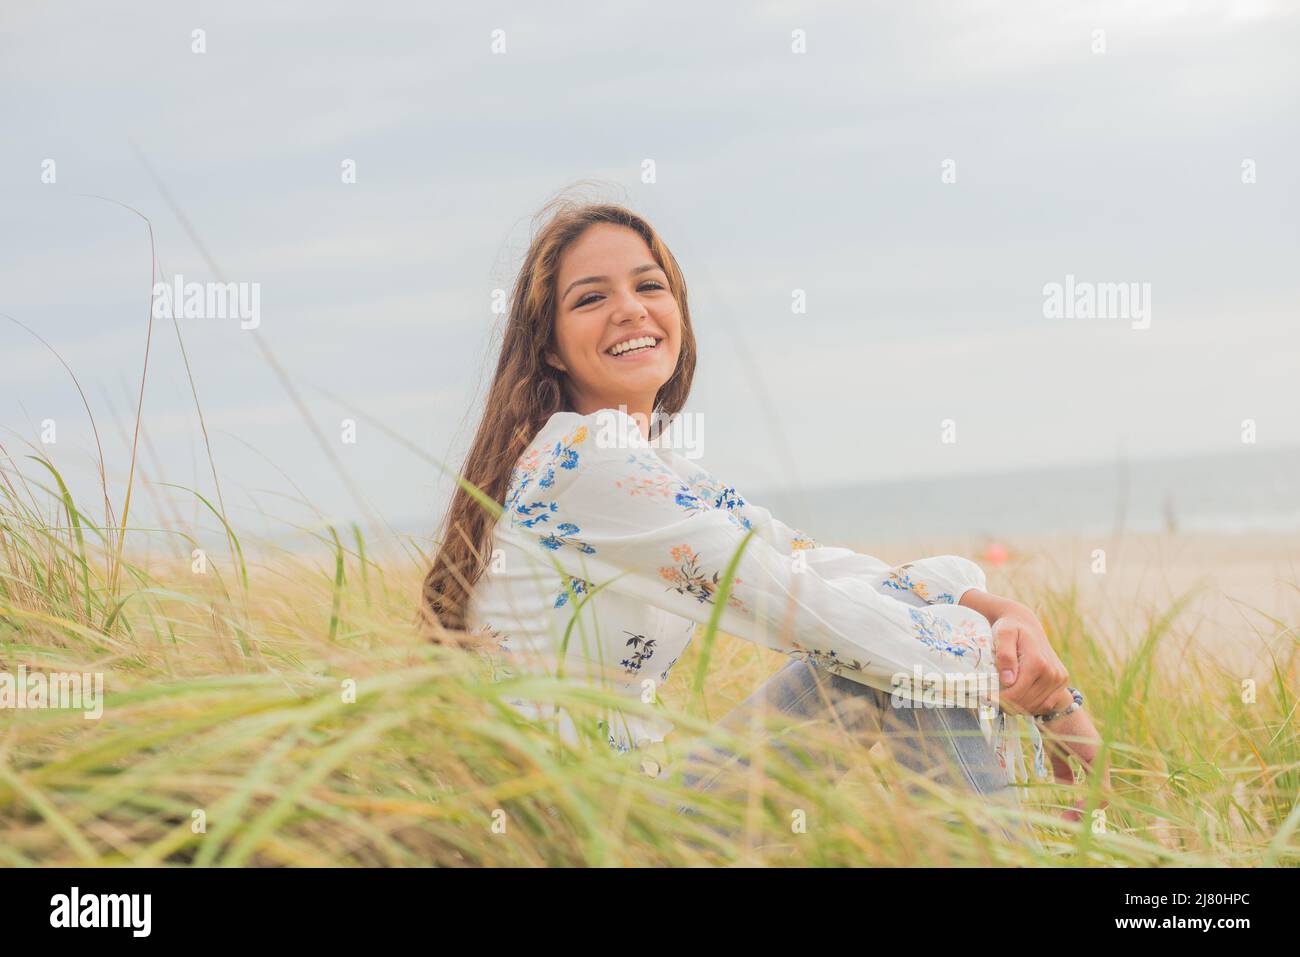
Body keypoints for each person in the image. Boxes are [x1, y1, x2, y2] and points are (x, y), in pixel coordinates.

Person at [422, 197, 1107, 835]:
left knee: (899, 643)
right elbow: (806, 606)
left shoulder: (652, 470)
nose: (630, 309)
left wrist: (997, 607)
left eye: (649, 285)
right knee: (884, 656)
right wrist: (1047, 699)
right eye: (591, 297)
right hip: (595, 837)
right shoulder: (583, 459)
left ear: (679, 310)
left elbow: (806, 559)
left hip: (640, 815)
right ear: (549, 344)